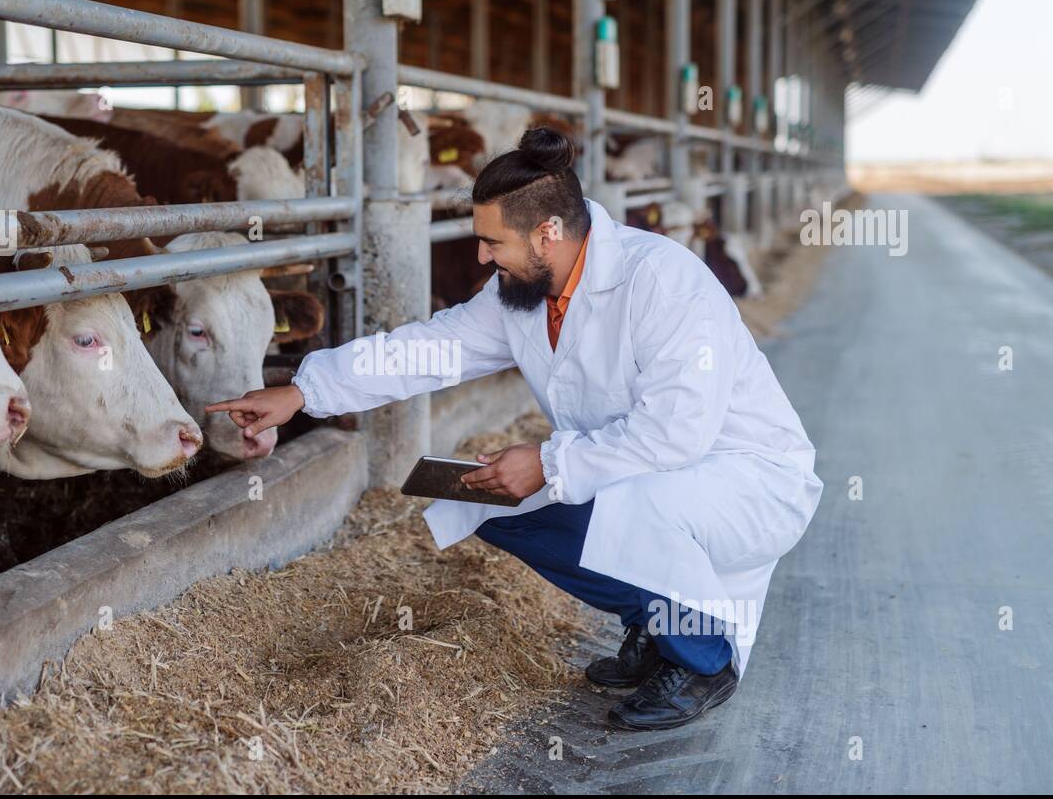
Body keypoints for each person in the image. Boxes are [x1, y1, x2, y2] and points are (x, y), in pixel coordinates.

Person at [208, 127, 823, 732]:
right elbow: (432, 348)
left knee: (624, 505)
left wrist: (550, 464)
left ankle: (704, 660)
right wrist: (302, 391)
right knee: (487, 502)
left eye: (491, 242)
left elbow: (677, 434)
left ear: (547, 233)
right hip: (643, 472)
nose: (480, 256)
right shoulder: (521, 290)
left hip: (744, 478)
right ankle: (659, 622)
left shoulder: (663, 282)